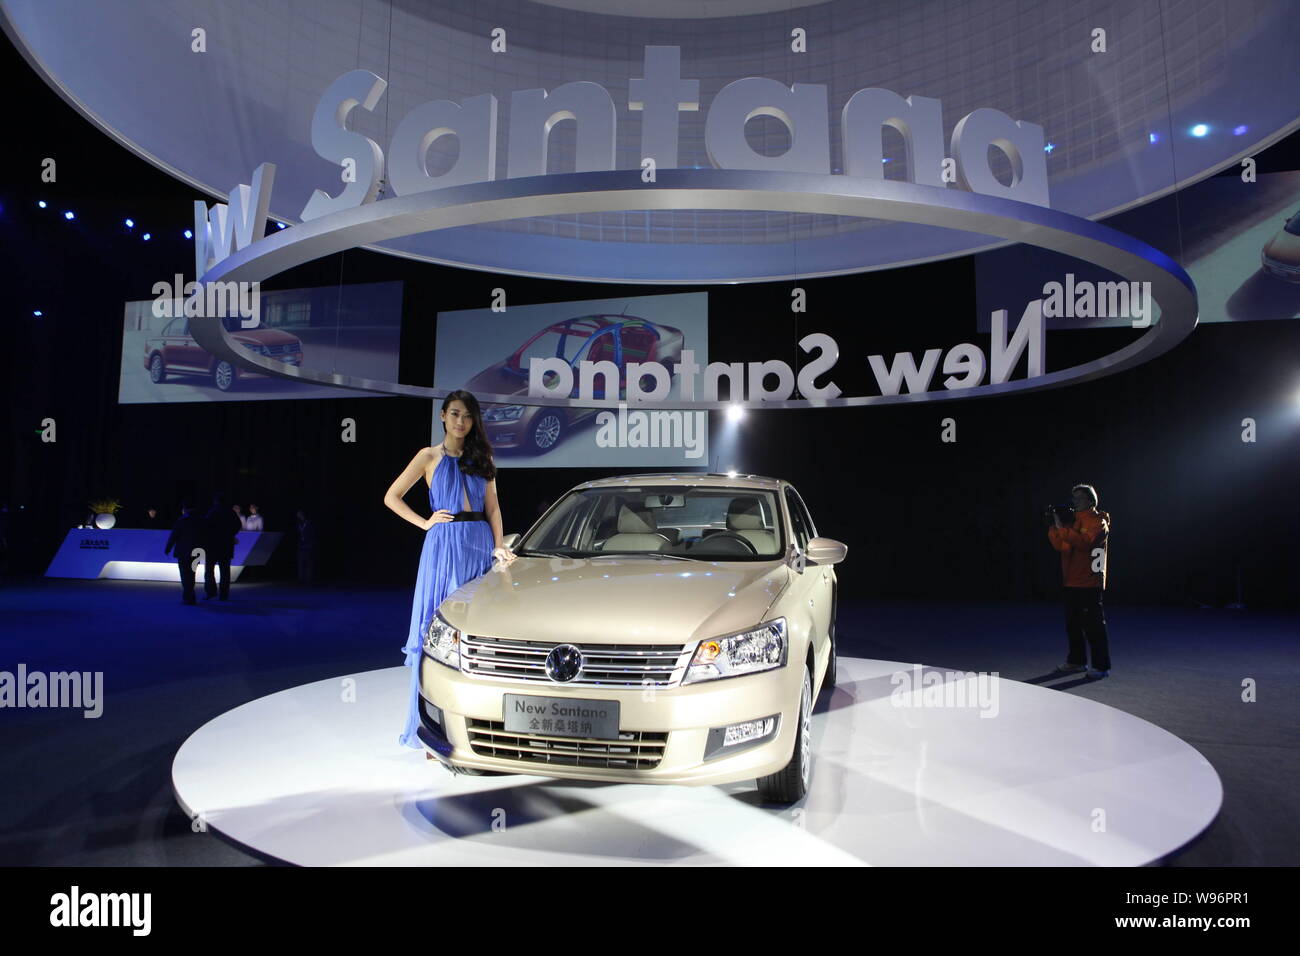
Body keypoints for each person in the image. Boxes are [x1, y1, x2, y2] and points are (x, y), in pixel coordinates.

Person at [384, 389, 517, 753]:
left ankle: (476, 727)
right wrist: (425, 523)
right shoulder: (427, 456)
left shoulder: (482, 456)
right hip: (443, 546)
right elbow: (391, 496)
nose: (461, 422)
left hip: (477, 543)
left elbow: (492, 508)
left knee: (474, 630)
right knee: (436, 631)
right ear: (442, 416)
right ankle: (430, 730)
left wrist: (499, 544)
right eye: (455, 414)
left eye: (468, 416)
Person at [1048, 483, 1112, 679]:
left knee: (1093, 627)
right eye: (1073, 498)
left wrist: (1064, 529)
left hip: (1089, 582)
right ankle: (1077, 661)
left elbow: (1086, 543)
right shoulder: (1073, 522)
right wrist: (1055, 526)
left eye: (1079, 498)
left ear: (1091, 501)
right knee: (1073, 625)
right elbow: (1061, 546)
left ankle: (1101, 667)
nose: (1074, 502)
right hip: (1071, 581)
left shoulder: (1098, 521)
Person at [202, 493, 242, 600]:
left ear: (216, 502)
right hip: (226, 545)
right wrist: (230, 534)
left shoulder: (212, 512)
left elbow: (205, 527)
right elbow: (238, 525)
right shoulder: (230, 512)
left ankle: (211, 592)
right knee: (225, 571)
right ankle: (223, 594)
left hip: (212, 545)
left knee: (209, 570)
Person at [163, 501, 204, 605]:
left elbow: (174, 535)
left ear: (184, 509)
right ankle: (190, 596)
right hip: (197, 551)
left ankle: (188, 596)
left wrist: (168, 548)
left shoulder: (182, 520)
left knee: (184, 573)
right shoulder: (201, 520)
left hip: (183, 551)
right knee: (192, 573)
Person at [296, 509, 315, 583]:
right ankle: (301, 579)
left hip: (308, 545)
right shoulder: (298, 524)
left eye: (299, 515)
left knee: (308, 562)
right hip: (301, 545)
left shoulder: (309, 523)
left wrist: (310, 543)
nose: (298, 516)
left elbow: (312, 534)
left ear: (302, 515)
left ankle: (308, 579)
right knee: (300, 562)